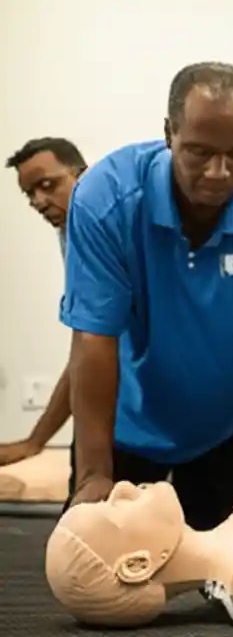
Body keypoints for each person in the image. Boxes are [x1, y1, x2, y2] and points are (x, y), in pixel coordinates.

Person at [59, 62, 233, 530]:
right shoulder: (107, 196)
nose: (219, 172)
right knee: (96, 570)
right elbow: (93, 339)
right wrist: (94, 474)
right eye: (199, 152)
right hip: (132, 419)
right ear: (168, 133)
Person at [0, 138, 87, 467]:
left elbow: (88, 346)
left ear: (82, 174)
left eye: (47, 185)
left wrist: (35, 441)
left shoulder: (108, 230)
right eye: (30, 194)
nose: (38, 201)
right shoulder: (68, 232)